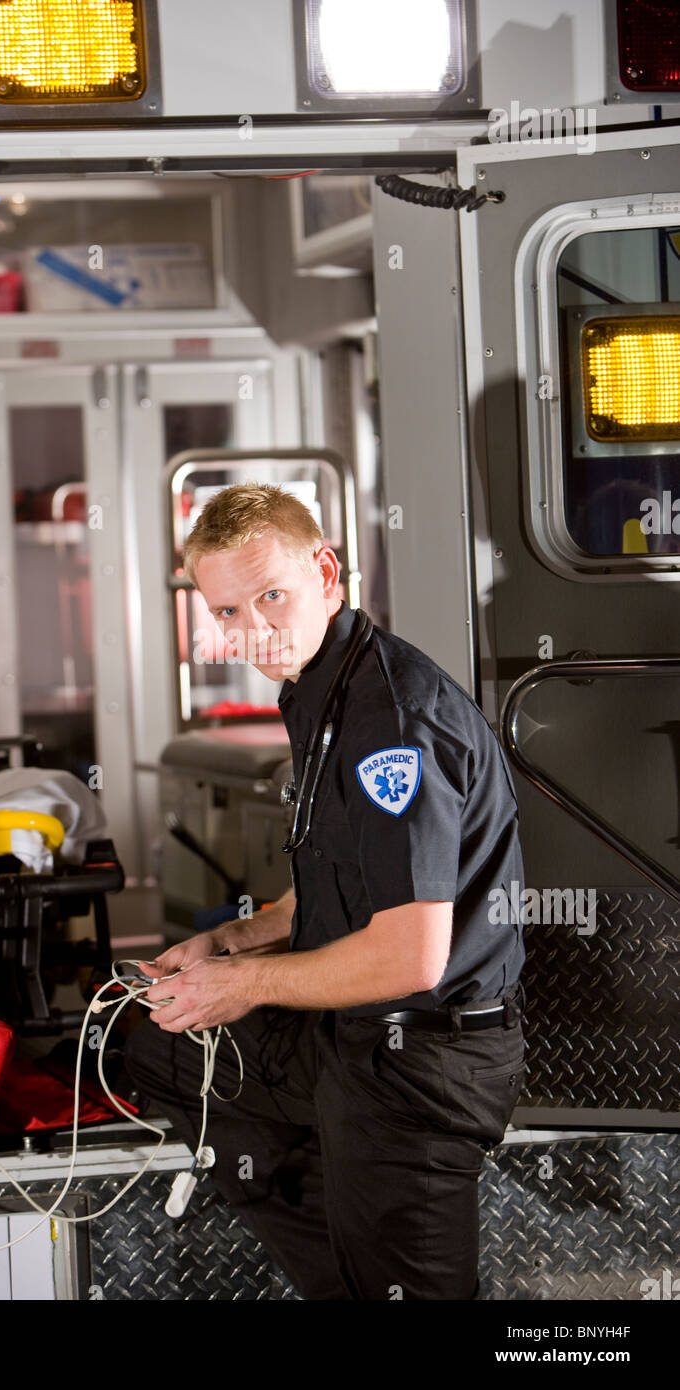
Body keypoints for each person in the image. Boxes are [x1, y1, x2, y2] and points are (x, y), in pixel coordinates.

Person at [123, 483, 526, 1301]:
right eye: (228, 611)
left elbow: (410, 955)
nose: (254, 630)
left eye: (271, 596)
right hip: (344, 1037)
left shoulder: (392, 720)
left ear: (328, 572)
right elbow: (325, 897)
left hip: (422, 1057)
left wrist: (243, 986)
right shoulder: (315, 686)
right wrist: (231, 944)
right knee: (149, 1043)